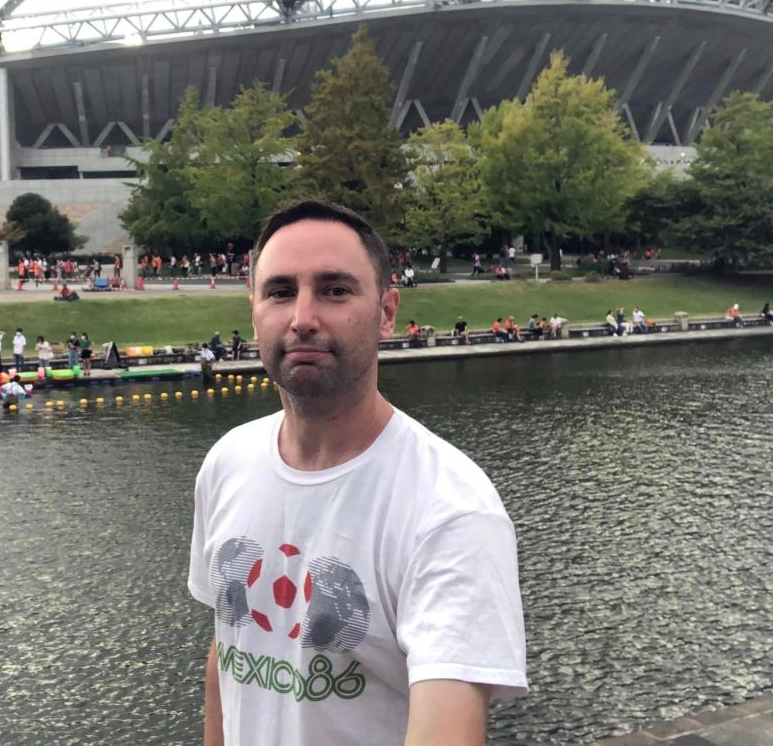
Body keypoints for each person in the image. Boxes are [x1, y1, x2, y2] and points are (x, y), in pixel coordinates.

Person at [189, 199, 526, 746]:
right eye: (279, 292)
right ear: (253, 310)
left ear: (387, 311)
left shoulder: (450, 509)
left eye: (335, 290)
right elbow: (229, 651)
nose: (302, 317)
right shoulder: (228, 462)